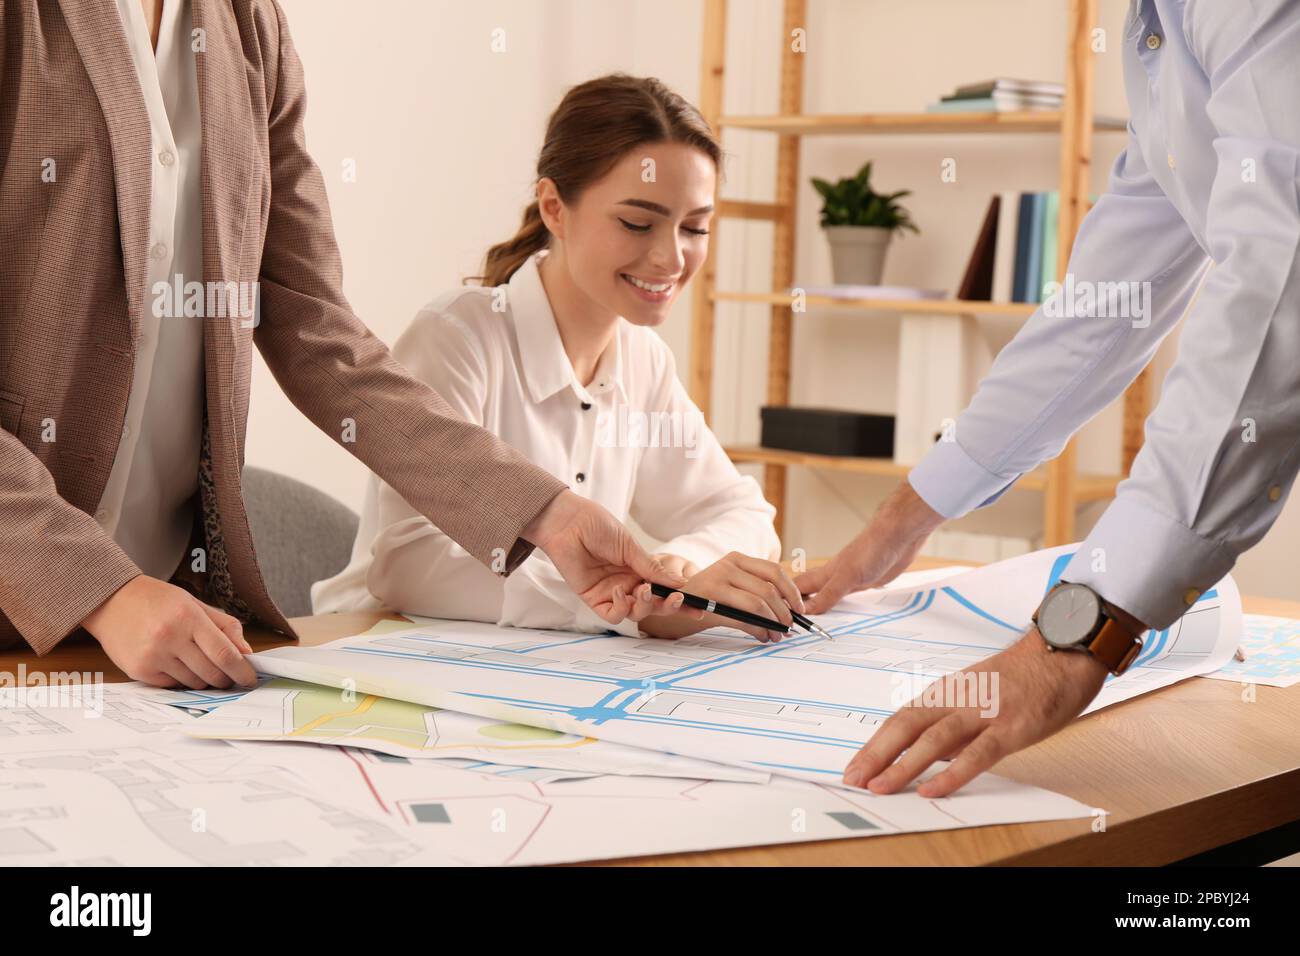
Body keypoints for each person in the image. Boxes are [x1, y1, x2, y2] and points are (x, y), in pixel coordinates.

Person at [0, 1, 686, 690]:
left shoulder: (248, 25)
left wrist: (550, 515)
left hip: (167, 630)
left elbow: (320, 333)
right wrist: (102, 591)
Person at [797, 0, 1300, 796]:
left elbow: (1279, 279)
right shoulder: (1156, 35)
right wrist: (902, 521)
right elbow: (1099, 308)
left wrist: (1075, 635)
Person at [314, 74, 804, 643]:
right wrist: (621, 604)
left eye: (695, 227)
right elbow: (408, 564)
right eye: (638, 223)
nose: (672, 257)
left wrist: (673, 578)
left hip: (544, 670)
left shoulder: (642, 359)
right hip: (370, 651)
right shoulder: (458, 336)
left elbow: (741, 514)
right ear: (555, 208)